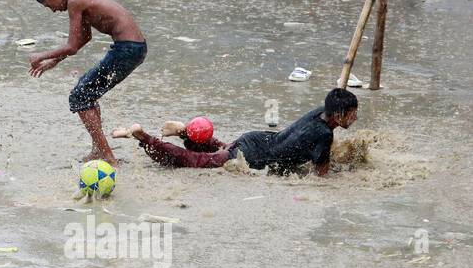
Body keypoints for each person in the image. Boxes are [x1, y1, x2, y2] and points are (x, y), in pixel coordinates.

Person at [29, 0, 147, 165]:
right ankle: (99, 150)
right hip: (134, 48)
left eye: (48, 5)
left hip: (128, 48)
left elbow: (72, 45)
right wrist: (55, 61)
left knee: (80, 96)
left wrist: (41, 55)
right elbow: (84, 38)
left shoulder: (75, 1)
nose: (52, 11)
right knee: (85, 93)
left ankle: (108, 157)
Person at [113, 89, 359, 177]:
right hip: (252, 156)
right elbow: (321, 176)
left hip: (255, 138)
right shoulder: (325, 134)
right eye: (351, 114)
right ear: (337, 116)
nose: (355, 118)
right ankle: (143, 136)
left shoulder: (320, 112)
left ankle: (186, 133)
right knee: (193, 162)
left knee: (220, 150)